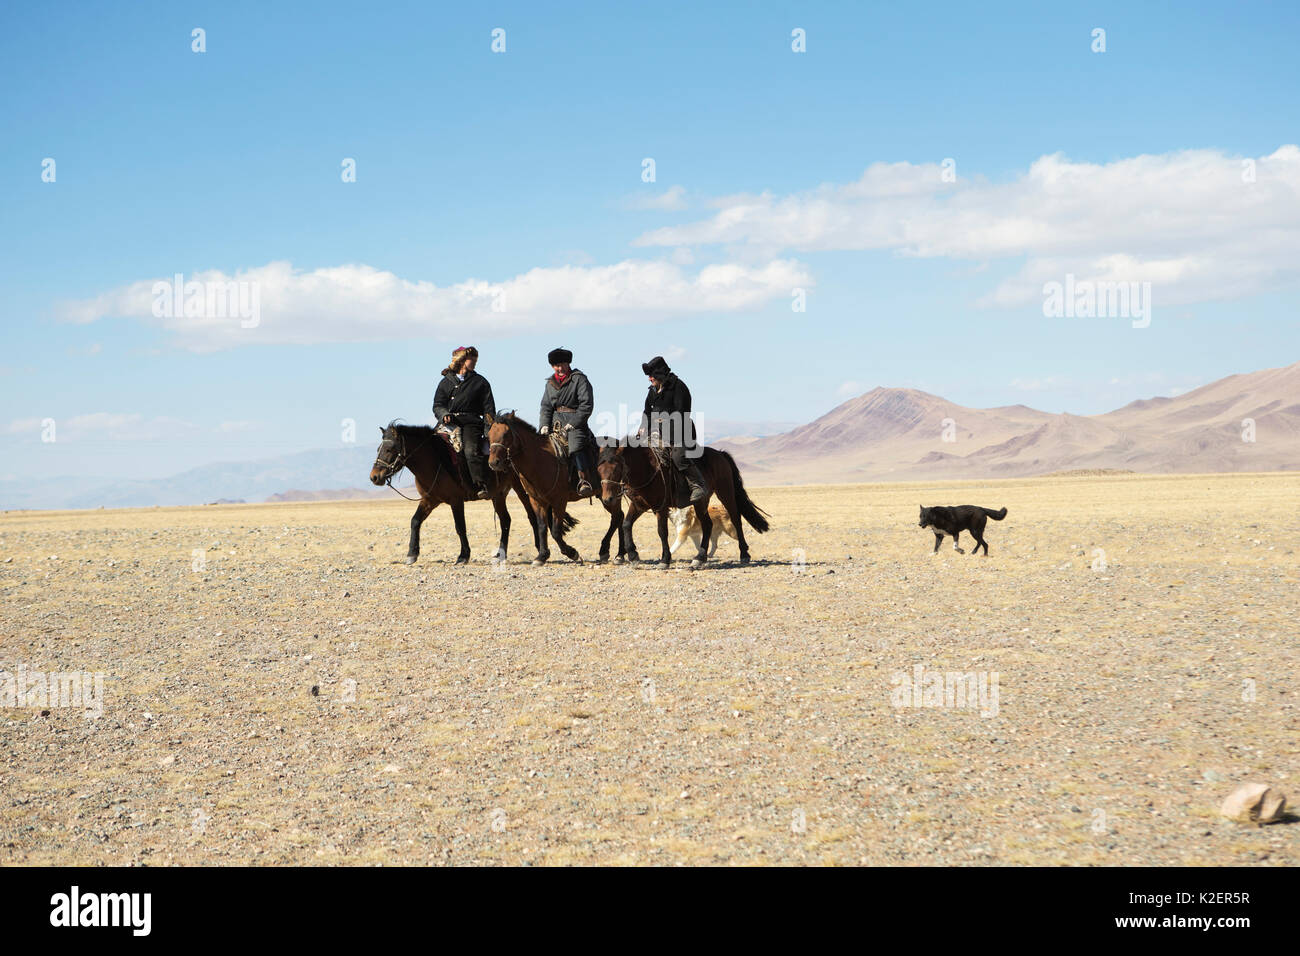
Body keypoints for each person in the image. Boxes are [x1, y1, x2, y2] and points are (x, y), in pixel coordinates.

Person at [638, 355, 709, 503]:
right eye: (649, 376)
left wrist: (662, 421)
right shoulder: (652, 391)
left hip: (680, 433)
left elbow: (682, 412)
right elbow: (647, 412)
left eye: (651, 375)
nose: (649, 379)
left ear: (660, 373)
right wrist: (643, 427)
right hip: (656, 434)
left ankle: (698, 485)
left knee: (678, 457)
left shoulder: (678, 387)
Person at [432, 345, 495, 499]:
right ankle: (434, 483)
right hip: (448, 422)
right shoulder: (446, 382)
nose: (473, 361)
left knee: (470, 451)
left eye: (475, 359)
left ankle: (479, 485)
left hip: (471, 423)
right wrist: (444, 414)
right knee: (431, 446)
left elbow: (489, 410)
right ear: (461, 360)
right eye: (470, 358)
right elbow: (438, 405)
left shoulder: (480, 382)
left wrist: (488, 431)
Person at [538, 347, 596, 496]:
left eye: (562, 364)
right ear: (552, 366)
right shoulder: (550, 383)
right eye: (556, 365)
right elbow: (546, 406)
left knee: (575, 445)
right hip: (555, 424)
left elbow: (586, 404)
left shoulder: (579, 379)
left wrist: (574, 423)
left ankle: (584, 480)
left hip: (576, 423)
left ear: (568, 363)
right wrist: (544, 425)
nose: (560, 368)